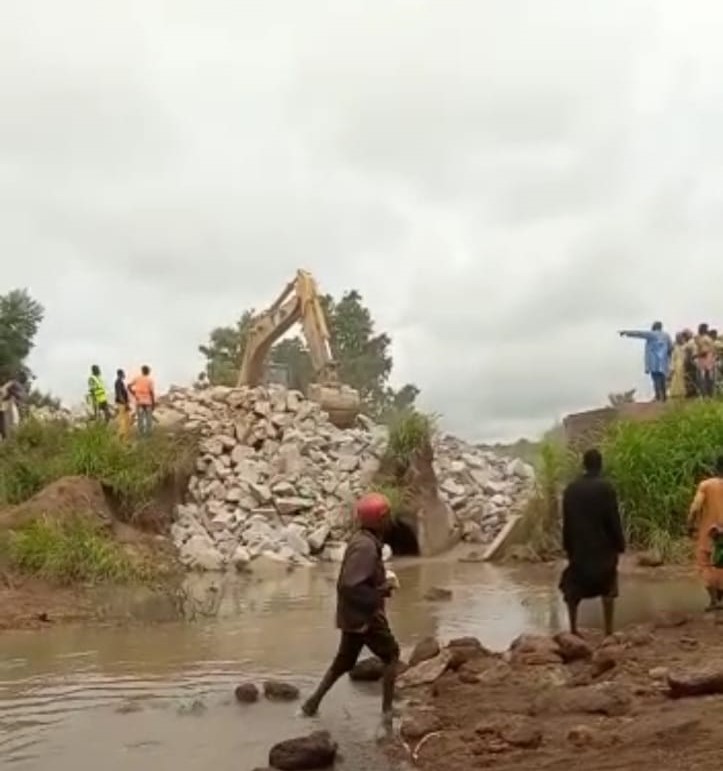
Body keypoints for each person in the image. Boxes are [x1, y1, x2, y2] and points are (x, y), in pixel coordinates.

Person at [302, 492, 400, 721]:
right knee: (392, 655)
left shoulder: (361, 540)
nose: (390, 520)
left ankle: (311, 704)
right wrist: (381, 591)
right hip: (365, 617)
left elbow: (351, 581)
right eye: (387, 516)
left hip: (353, 616)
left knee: (344, 661)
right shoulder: (366, 547)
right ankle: (387, 712)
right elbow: (349, 585)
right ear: (380, 520)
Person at [559, 449, 626, 637]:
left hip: (579, 546)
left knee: (574, 588)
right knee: (608, 587)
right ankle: (609, 630)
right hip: (603, 546)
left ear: (584, 465)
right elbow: (613, 519)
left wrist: (567, 546)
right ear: (600, 465)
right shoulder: (606, 488)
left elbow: (567, 521)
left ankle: (573, 628)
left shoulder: (571, 489)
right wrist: (619, 544)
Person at [687, 456, 723, 611]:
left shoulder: (706, 485)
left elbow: (695, 507)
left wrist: (690, 524)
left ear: (715, 468)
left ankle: (714, 601)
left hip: (709, 533)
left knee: (705, 564)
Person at [619, 322, 673, 402]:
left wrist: (626, 333)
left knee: (656, 379)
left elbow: (639, 334)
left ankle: (658, 396)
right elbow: (671, 347)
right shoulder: (666, 335)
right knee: (662, 379)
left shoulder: (651, 334)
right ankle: (664, 397)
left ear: (654, 327)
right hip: (663, 361)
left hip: (653, 361)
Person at [129, 365, 155, 437]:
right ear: (148, 372)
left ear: (142, 371)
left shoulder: (137, 378)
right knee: (148, 419)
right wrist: (153, 403)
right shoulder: (150, 380)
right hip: (147, 402)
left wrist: (134, 393)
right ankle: (148, 434)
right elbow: (151, 392)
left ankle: (141, 434)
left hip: (139, 402)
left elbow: (129, 386)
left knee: (140, 419)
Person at [694, 323, 716, 397]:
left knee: (704, 379)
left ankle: (705, 395)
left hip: (705, 361)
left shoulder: (703, 339)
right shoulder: (709, 338)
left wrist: (696, 355)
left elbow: (704, 351)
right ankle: (710, 394)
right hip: (710, 361)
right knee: (709, 378)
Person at [668, 332, 687, 400]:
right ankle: (676, 392)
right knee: (676, 379)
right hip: (678, 364)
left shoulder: (682, 347)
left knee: (679, 379)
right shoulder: (676, 347)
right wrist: (672, 367)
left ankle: (679, 392)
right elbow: (673, 358)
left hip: (680, 363)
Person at [114, 369, 131, 439]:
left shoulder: (121, 382)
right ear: (120, 374)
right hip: (121, 404)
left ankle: (125, 437)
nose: (124, 375)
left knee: (127, 420)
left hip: (124, 403)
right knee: (122, 420)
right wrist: (125, 403)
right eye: (123, 374)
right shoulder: (118, 382)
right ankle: (121, 436)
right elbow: (119, 394)